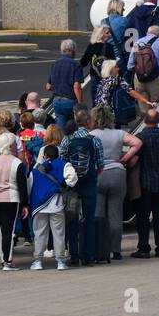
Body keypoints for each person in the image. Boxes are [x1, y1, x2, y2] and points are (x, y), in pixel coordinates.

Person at [90, 105, 143, 263]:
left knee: (98, 214)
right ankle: (116, 250)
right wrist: (126, 158)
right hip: (118, 173)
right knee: (115, 214)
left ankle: (100, 249)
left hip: (98, 174)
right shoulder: (119, 134)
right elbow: (137, 143)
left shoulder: (91, 135)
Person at [59, 107, 104, 267]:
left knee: (72, 220)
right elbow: (100, 164)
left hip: (72, 186)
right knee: (89, 220)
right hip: (89, 184)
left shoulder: (66, 140)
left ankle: (74, 256)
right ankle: (89, 256)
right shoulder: (94, 140)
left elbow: (63, 163)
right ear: (88, 122)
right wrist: (92, 176)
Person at [131, 109, 159, 259]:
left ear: (144, 120)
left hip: (144, 183)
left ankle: (144, 248)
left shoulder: (140, 138)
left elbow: (133, 161)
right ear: (158, 121)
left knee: (143, 218)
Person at [0, 132, 29, 271]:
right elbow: (22, 186)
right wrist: (25, 204)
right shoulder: (17, 163)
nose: (17, 145)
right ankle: (7, 261)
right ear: (10, 145)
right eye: (15, 143)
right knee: (7, 231)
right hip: (10, 200)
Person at [28, 144, 78, 271]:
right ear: (58, 154)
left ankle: (38, 261)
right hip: (56, 204)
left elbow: (29, 187)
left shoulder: (36, 169)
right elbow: (73, 179)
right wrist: (64, 186)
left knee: (39, 234)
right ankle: (61, 261)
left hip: (39, 206)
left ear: (44, 156)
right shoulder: (64, 164)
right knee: (59, 234)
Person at [46, 39, 83, 131]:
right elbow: (76, 86)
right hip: (70, 101)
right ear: (73, 50)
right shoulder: (76, 65)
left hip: (57, 101)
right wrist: (80, 103)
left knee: (61, 129)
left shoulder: (55, 64)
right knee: (74, 127)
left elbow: (48, 86)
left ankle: (61, 144)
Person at [102, 0, 129, 66]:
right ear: (118, 8)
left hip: (107, 56)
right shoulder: (124, 21)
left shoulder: (103, 21)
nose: (124, 9)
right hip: (118, 56)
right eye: (122, 7)